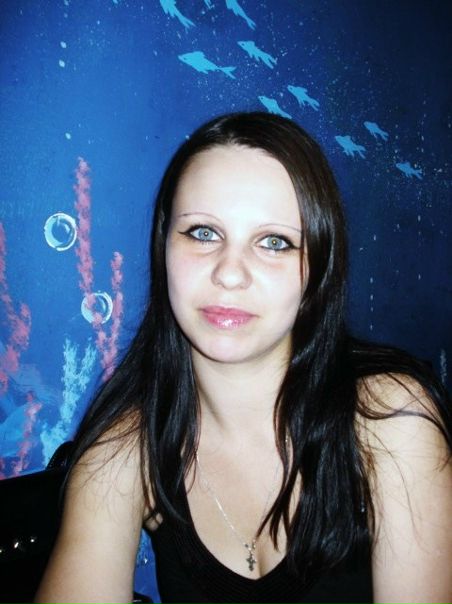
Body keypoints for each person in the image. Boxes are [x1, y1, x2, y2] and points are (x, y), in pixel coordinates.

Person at [35, 112, 451, 604]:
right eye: (203, 233)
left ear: (318, 268)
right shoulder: (125, 449)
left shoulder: (389, 420)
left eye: (274, 242)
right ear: (163, 246)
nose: (230, 273)